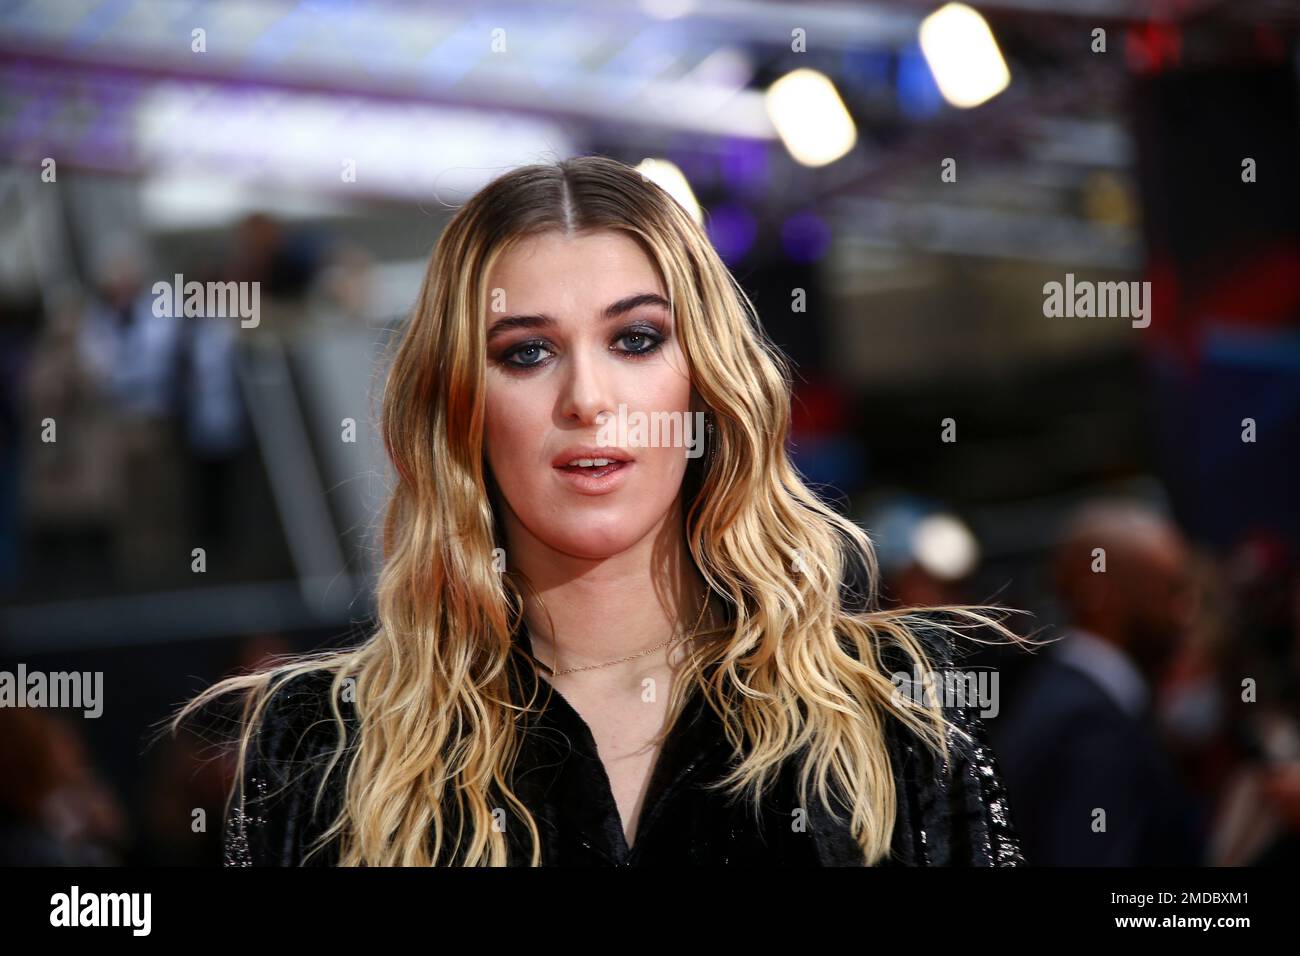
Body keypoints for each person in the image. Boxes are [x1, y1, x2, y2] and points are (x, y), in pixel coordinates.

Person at [171, 155, 1032, 866]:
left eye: (635, 339)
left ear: (704, 384)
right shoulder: (322, 748)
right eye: (528, 352)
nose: (588, 398)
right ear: (459, 407)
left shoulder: (892, 716)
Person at [992, 500, 1209, 865]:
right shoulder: (1087, 725)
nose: (1186, 614)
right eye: (1172, 590)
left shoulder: (1060, 698)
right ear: (1100, 593)